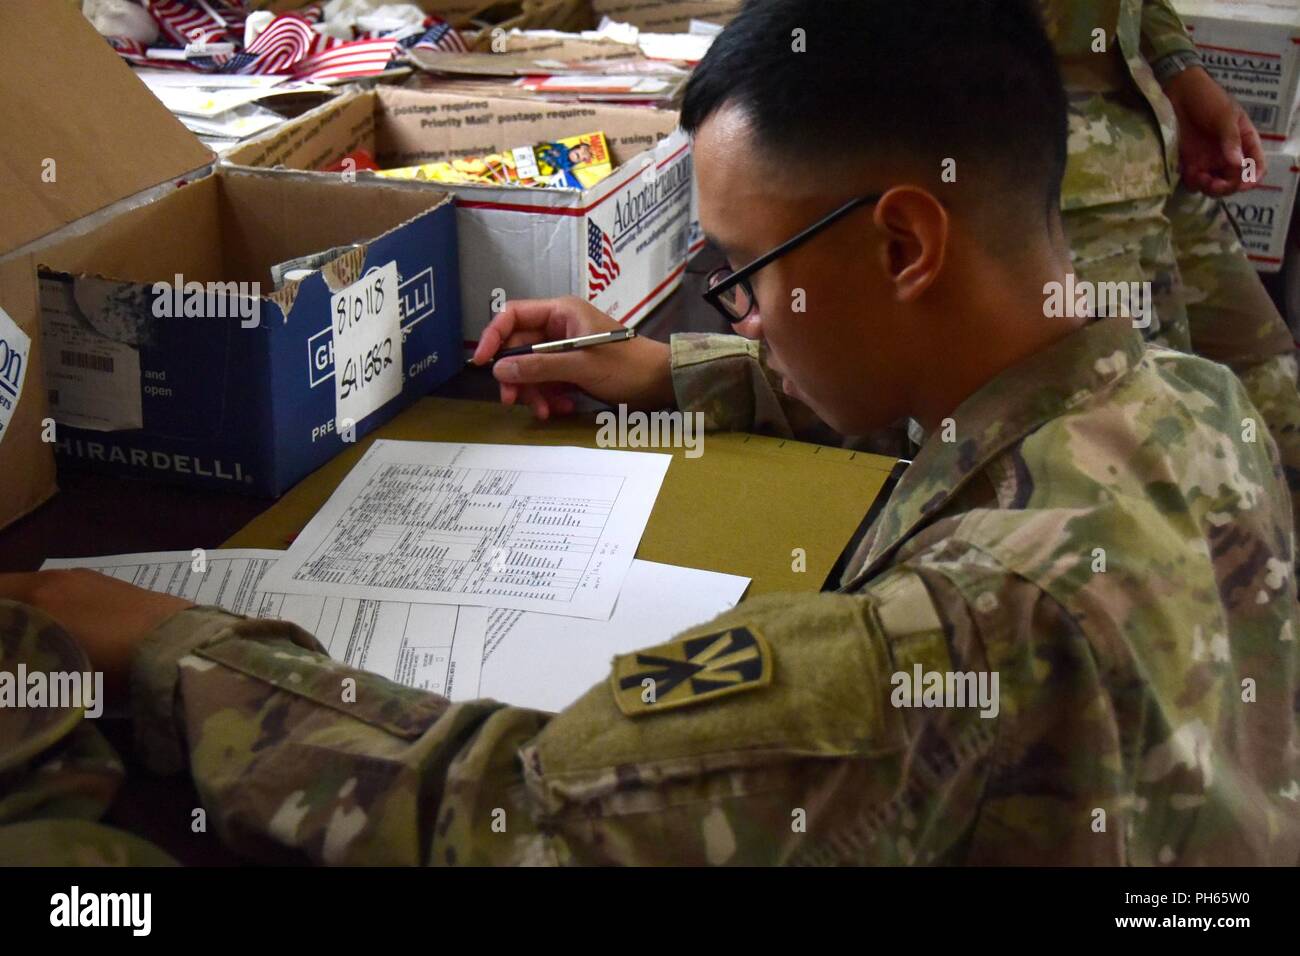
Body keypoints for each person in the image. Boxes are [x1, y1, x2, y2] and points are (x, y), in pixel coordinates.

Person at [3, 0, 1298, 866]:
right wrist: (683, 371)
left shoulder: (966, 635)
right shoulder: (1187, 396)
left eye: (741, 270)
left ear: (906, 241)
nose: (736, 309)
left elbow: (496, 808)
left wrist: (170, 647)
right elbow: (942, 394)